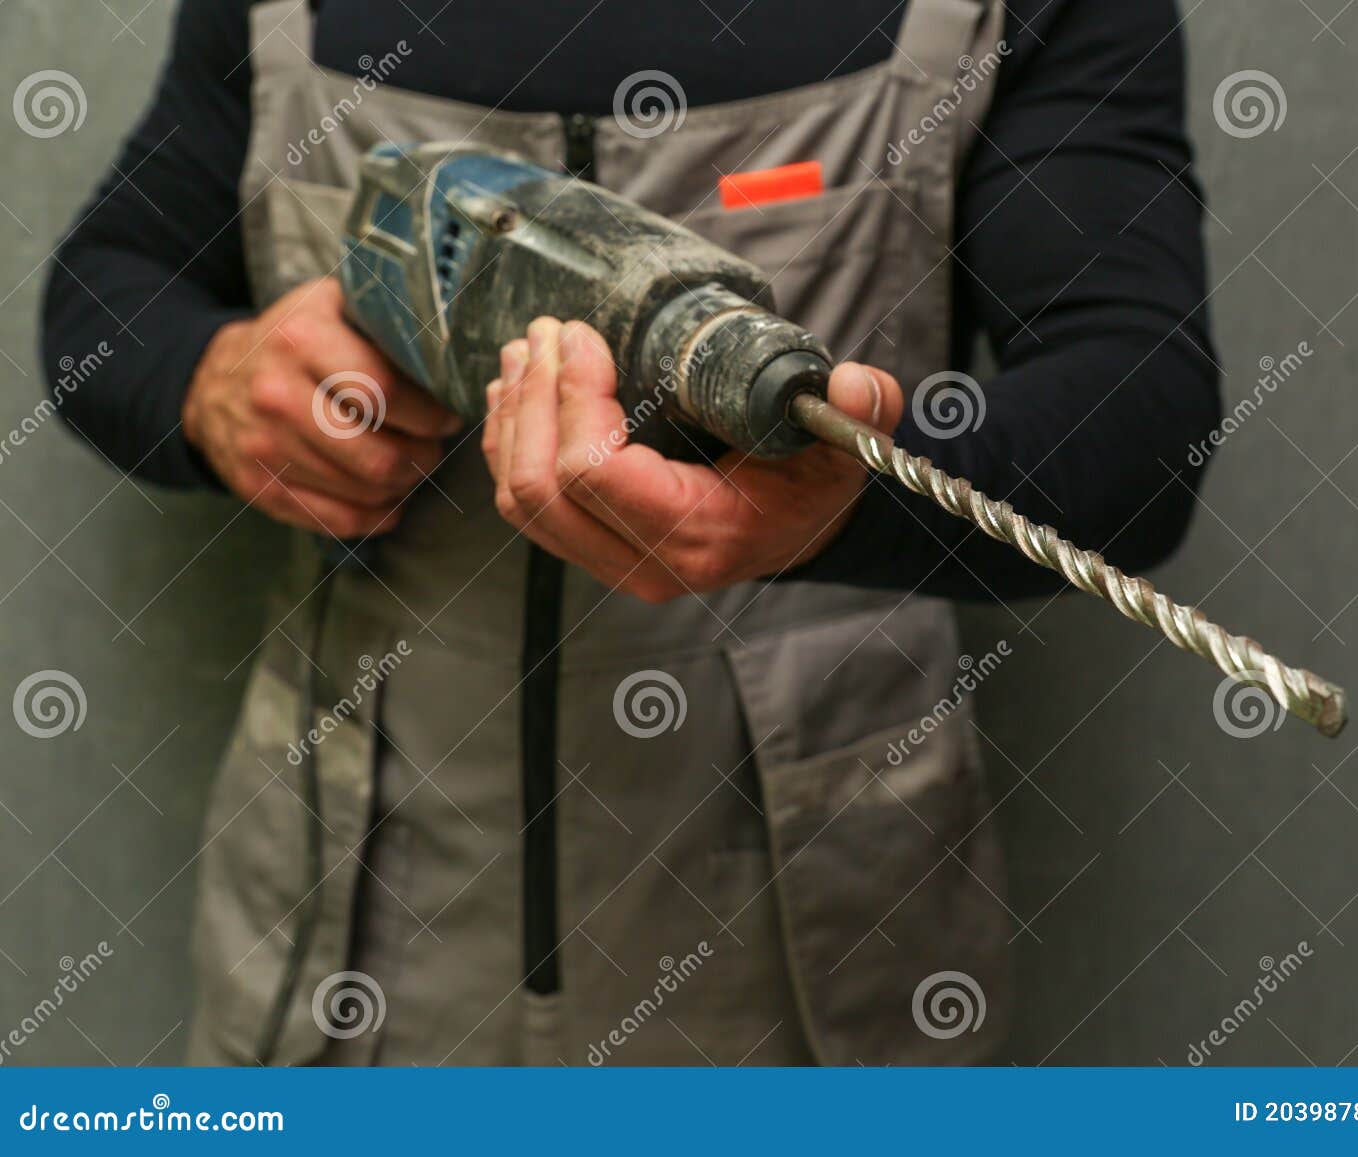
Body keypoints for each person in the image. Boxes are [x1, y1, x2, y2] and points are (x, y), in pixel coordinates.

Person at [41, 0, 1220, 1065]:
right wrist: (213, 379)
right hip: (345, 965)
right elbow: (108, 281)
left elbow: (1138, 424)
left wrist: (852, 501)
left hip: (821, 988)